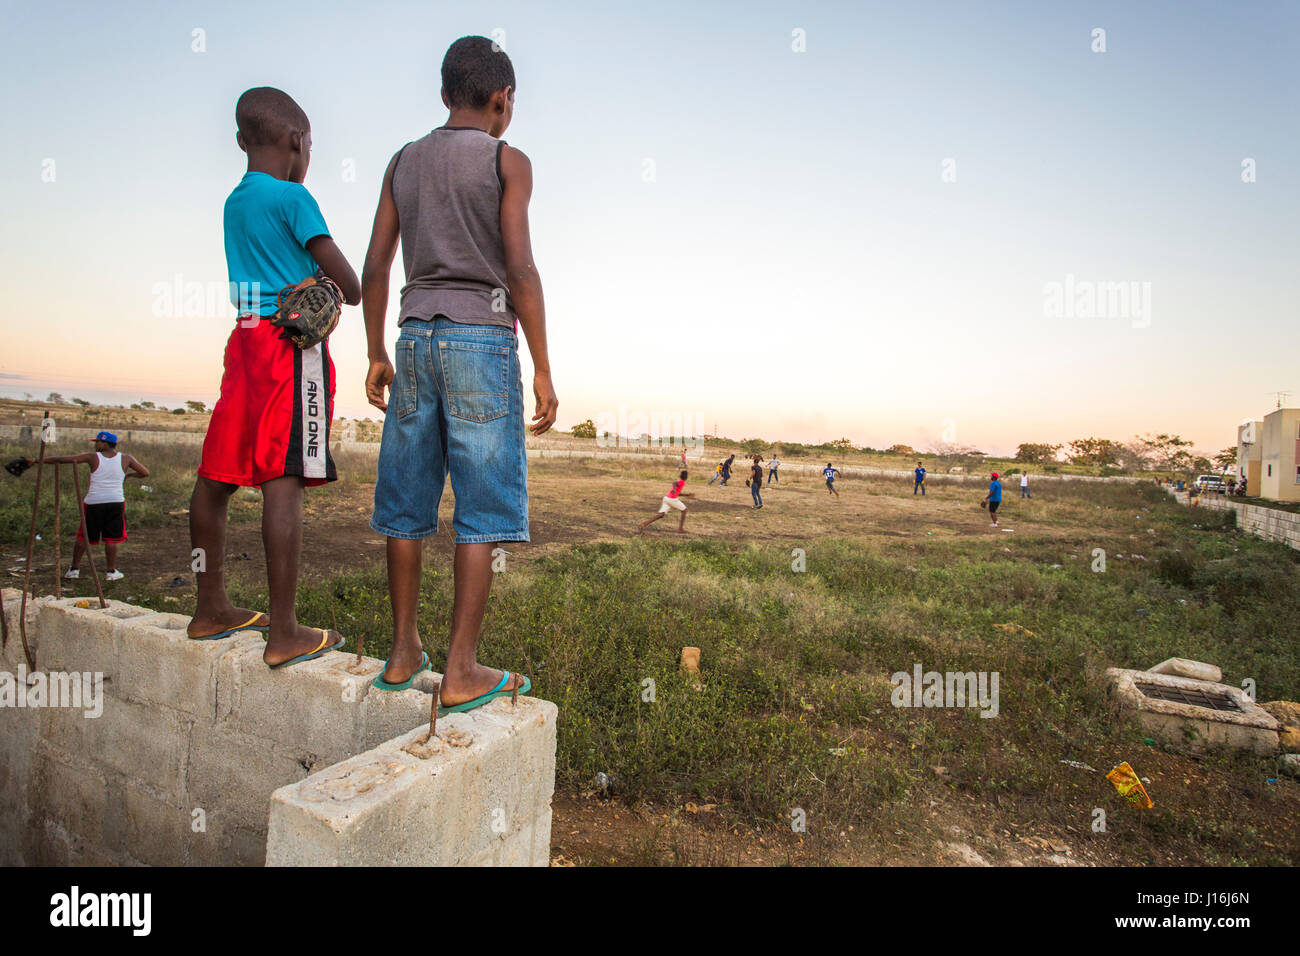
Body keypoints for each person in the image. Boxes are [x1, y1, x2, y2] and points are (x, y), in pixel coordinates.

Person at [362, 37, 557, 711]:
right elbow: (521, 269)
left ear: (447, 93)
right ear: (502, 100)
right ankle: (463, 668)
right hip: (483, 339)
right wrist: (542, 368)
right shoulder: (509, 160)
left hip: (413, 337)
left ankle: (402, 650)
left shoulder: (403, 161)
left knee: (407, 505)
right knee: (480, 512)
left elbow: (375, 268)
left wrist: (376, 352)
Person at [188, 87, 361, 663]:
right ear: (297, 142)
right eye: (309, 144)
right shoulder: (293, 197)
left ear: (242, 141)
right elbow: (350, 284)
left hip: (243, 343)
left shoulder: (235, 201)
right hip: (290, 347)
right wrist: (336, 287)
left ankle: (209, 607)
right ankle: (284, 632)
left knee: (215, 478)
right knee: (282, 481)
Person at [33, 431, 148, 582]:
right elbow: (145, 472)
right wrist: (130, 475)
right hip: (116, 502)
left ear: (105, 443)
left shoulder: (93, 457)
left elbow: (64, 459)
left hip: (94, 502)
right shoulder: (126, 458)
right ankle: (111, 572)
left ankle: (74, 569)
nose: (95, 444)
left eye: (98, 442)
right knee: (112, 539)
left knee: (84, 536)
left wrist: (36, 460)